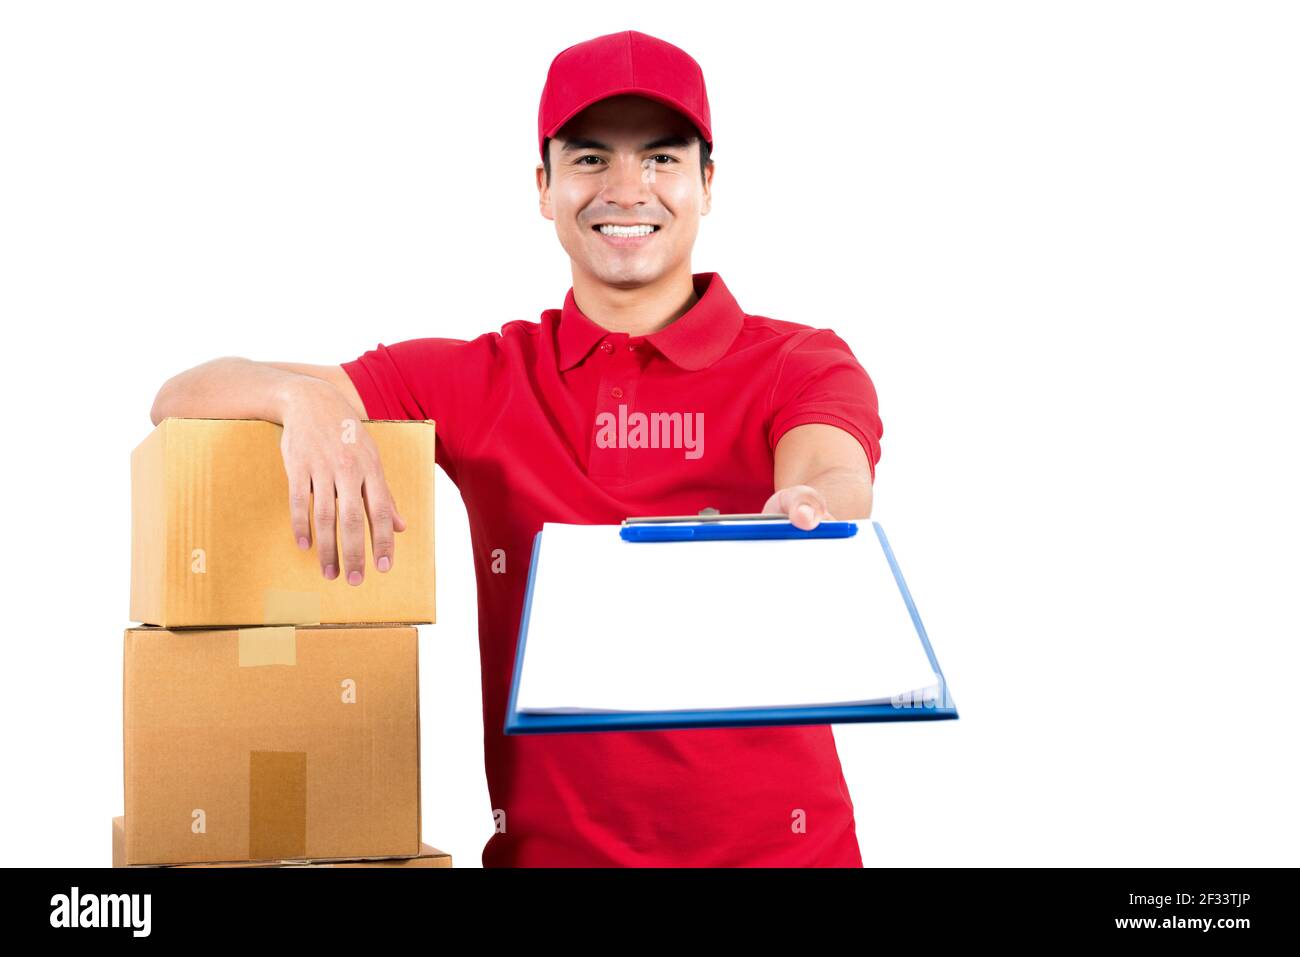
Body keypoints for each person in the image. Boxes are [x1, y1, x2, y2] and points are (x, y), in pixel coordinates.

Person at [151, 29, 883, 867]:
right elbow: (180, 395)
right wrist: (302, 400)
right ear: (543, 187)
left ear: (708, 183)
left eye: (662, 159)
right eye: (590, 159)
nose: (626, 187)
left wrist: (805, 512)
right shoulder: (485, 378)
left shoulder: (800, 360)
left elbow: (830, 467)